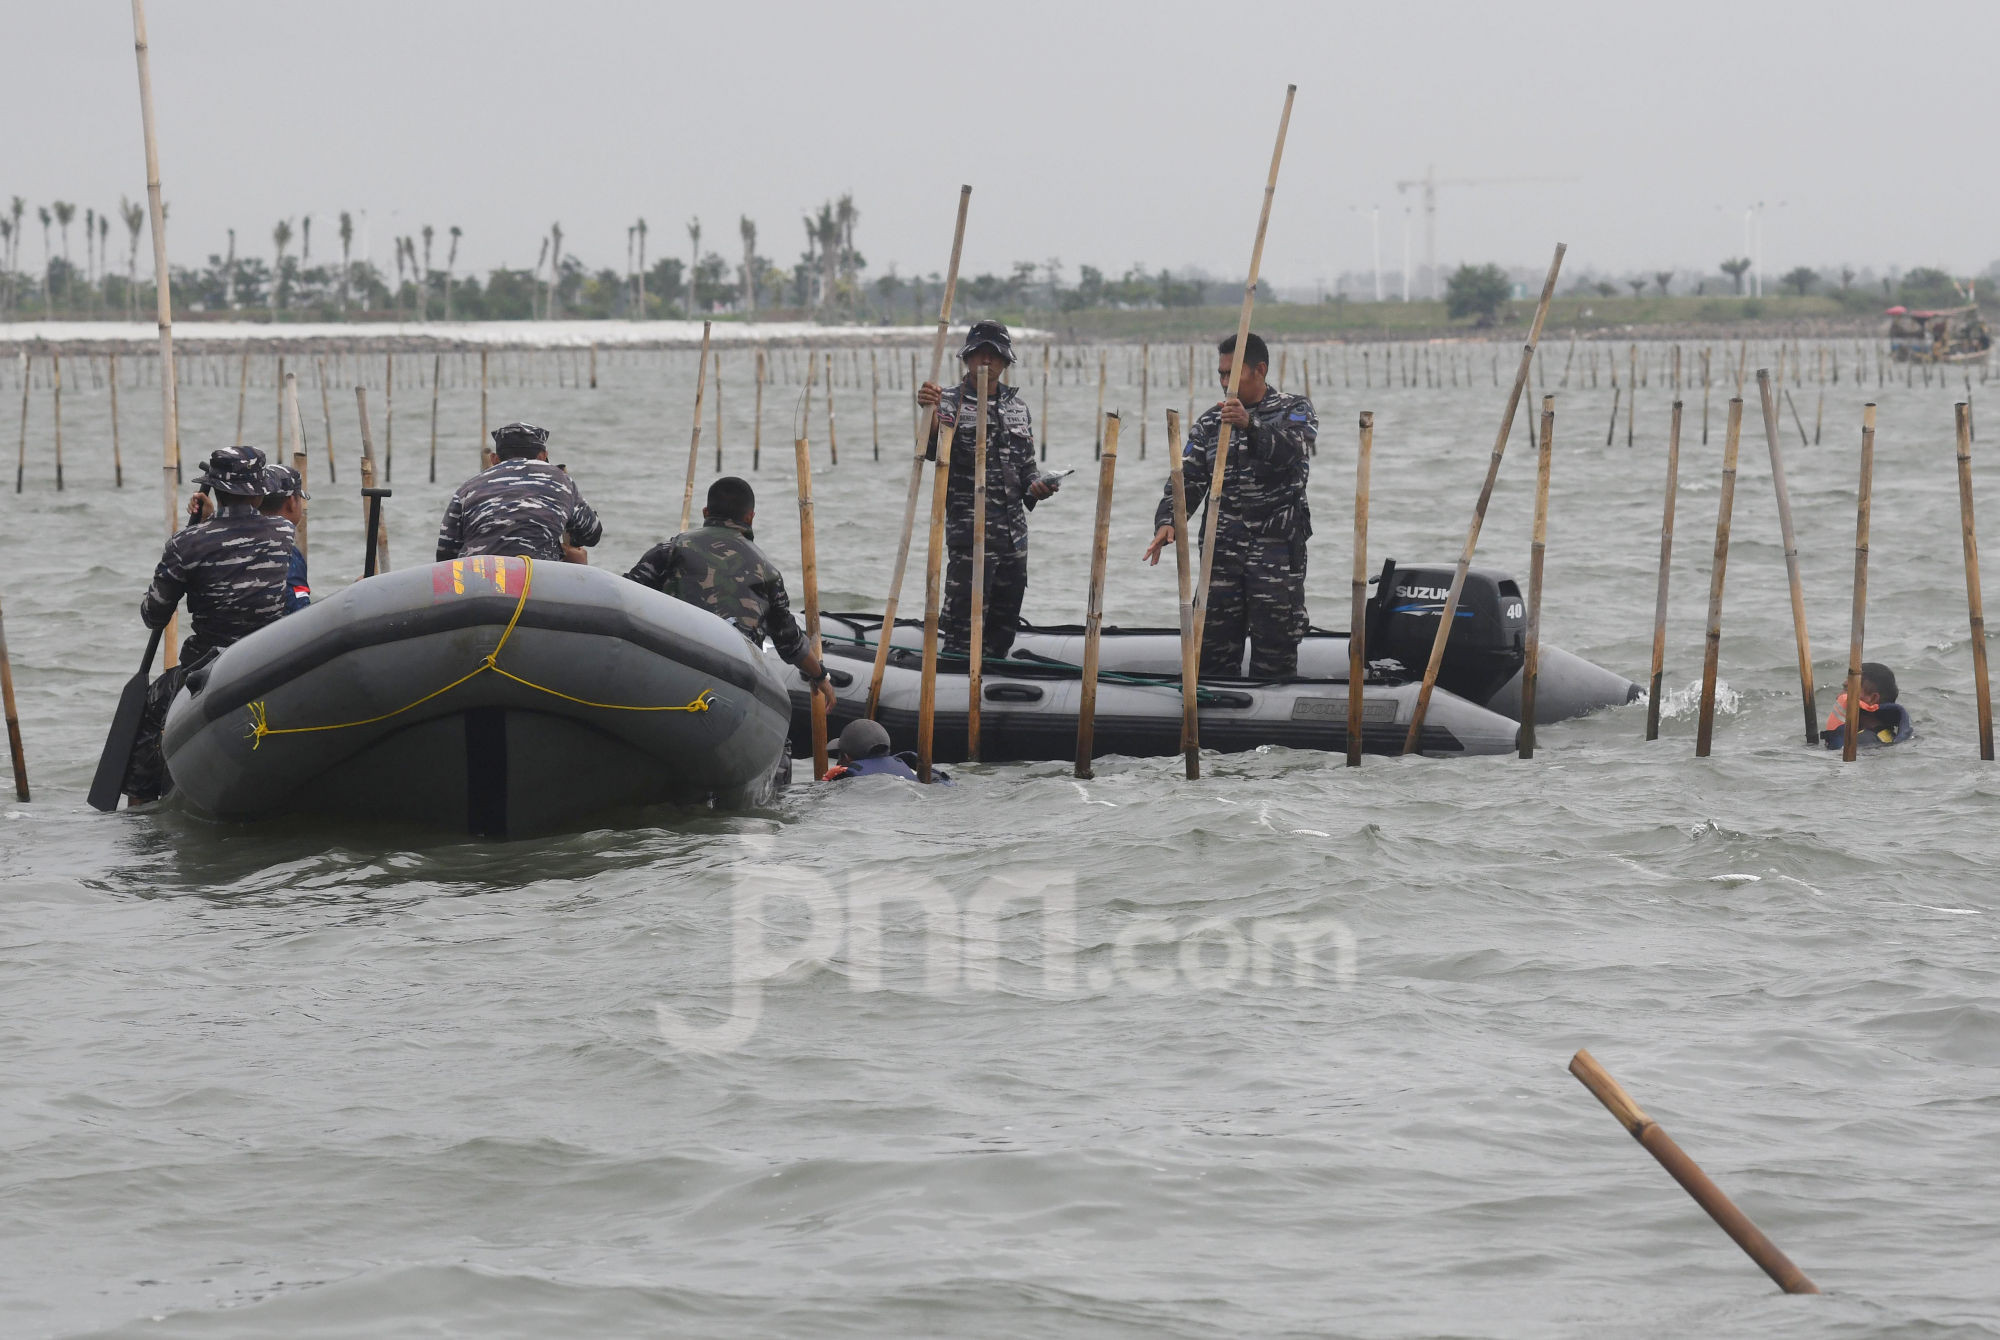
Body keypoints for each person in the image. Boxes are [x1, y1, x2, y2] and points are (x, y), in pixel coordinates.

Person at [125, 446, 298, 802]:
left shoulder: (185, 544)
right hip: (268, 655)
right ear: (259, 491)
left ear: (214, 488)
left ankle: (140, 805)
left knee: (151, 710)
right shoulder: (284, 532)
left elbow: (153, 614)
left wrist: (198, 531)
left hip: (208, 664)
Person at [1142, 332, 1317, 677]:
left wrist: (1250, 425)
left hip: (1275, 553)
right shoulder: (1210, 422)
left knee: (1276, 653)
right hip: (1221, 553)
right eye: (1220, 374)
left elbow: (1291, 451)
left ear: (1259, 370)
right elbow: (1187, 479)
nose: (1224, 382)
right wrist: (1168, 520)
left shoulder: (1293, 409)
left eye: (1230, 373)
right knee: (1210, 653)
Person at [625, 476, 836, 714]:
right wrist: (820, 675)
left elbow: (628, 596)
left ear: (705, 512)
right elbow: (791, 644)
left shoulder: (671, 549)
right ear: (750, 517)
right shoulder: (767, 572)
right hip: (732, 688)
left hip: (669, 669)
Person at [915, 320, 1060, 661]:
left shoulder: (1016, 407)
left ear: (1005, 362)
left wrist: (1038, 487)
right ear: (966, 358)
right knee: (962, 633)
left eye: (993, 355)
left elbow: (1025, 469)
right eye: (978, 354)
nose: (986, 361)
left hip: (1013, 539)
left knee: (1002, 630)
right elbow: (933, 451)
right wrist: (929, 413)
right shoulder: (947, 402)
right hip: (970, 537)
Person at [436, 421, 601, 563]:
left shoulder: (469, 487)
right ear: (543, 455)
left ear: (494, 459)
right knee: (577, 558)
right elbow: (591, 534)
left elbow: (446, 552)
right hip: (541, 574)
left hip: (478, 575)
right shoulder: (562, 480)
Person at [1821, 662, 1915, 749]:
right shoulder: (1885, 736)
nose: (1838, 696)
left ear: (1873, 698)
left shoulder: (1863, 742)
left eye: (1847, 689)